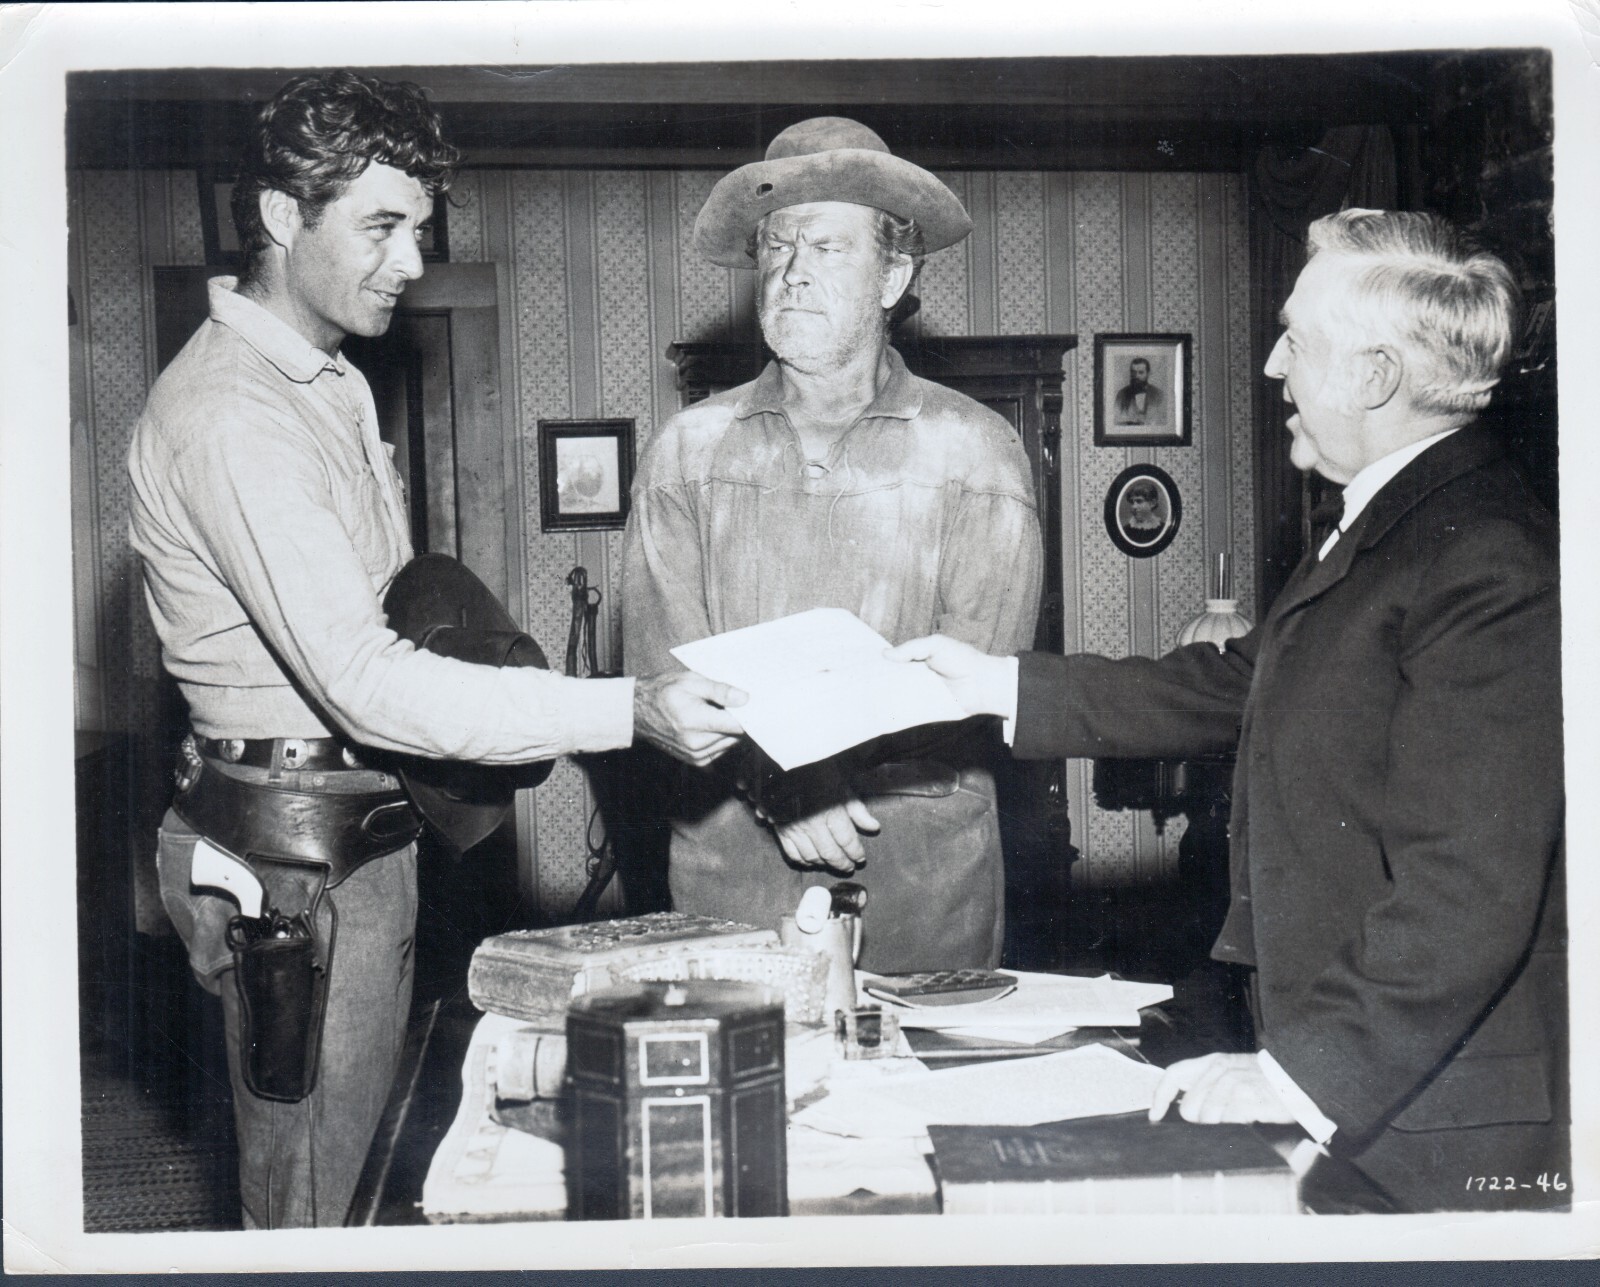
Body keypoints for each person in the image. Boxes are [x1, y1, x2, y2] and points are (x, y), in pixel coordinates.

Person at [127, 70, 745, 1229]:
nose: (411, 261)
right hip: (303, 864)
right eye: (380, 227)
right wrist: (623, 708)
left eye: (420, 228)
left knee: (370, 1166)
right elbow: (364, 681)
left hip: (351, 835)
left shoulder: (324, 380)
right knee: (318, 1203)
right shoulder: (236, 413)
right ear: (281, 215)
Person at [891, 209, 1565, 1213]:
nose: (1272, 366)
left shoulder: (1487, 559)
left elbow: (1466, 889)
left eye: (1296, 339)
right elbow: (1235, 681)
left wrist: (1300, 1079)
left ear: (1375, 376)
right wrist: (991, 684)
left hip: (1433, 1126)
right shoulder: (1397, 523)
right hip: (1382, 1092)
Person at [621, 117, 1042, 971]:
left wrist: (811, 774)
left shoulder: (976, 450)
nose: (793, 271)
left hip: (921, 882)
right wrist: (778, 781)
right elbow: (664, 680)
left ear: (894, 276)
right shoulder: (686, 451)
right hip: (731, 877)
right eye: (776, 247)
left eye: (827, 247)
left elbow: (973, 681)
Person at [1113, 356, 1166, 425]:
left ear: (1148, 374)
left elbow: (1162, 421)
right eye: (1133, 372)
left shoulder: (1158, 394)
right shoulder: (1121, 394)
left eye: (1141, 372)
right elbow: (1116, 421)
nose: (1136, 376)